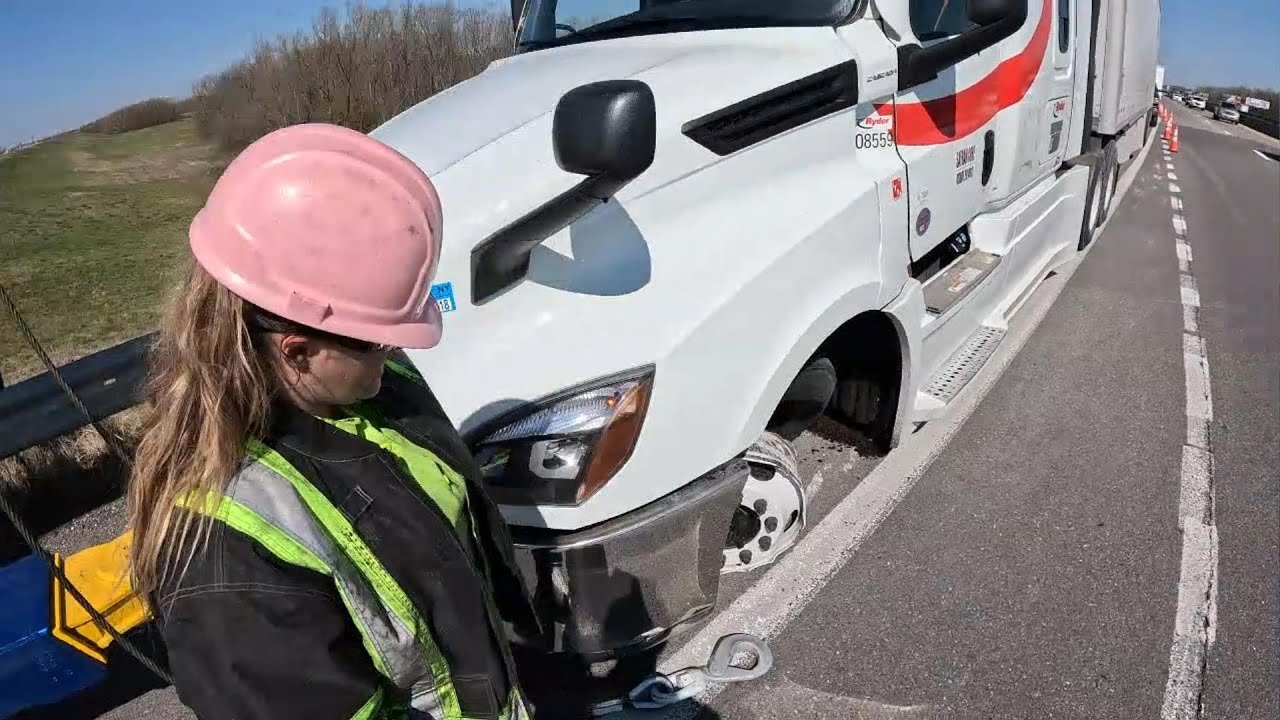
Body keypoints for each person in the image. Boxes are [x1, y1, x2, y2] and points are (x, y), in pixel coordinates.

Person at [125, 123, 541, 720]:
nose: (397, 353)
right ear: (296, 350)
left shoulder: (367, 384)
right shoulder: (226, 563)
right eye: (377, 341)